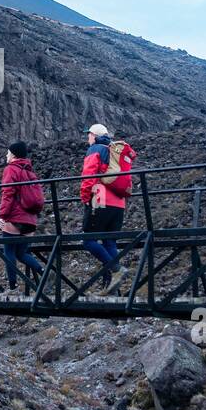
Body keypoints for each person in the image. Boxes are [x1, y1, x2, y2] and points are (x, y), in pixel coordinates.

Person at [80, 123, 126, 287]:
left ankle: (116, 269)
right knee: (109, 242)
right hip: (119, 203)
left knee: (88, 240)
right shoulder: (115, 151)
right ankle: (110, 286)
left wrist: (85, 196)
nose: (88, 137)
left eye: (89, 134)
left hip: (100, 201)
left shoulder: (95, 149)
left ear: (95, 135)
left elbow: (89, 175)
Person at [0, 141, 46, 292]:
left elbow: (8, 193)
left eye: (8, 152)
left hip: (15, 218)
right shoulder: (30, 172)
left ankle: (12, 287)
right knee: (21, 253)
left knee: (9, 251)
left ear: (13, 154)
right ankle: (44, 272)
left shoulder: (11, 169)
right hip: (31, 220)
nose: (6, 155)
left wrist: (3, 216)